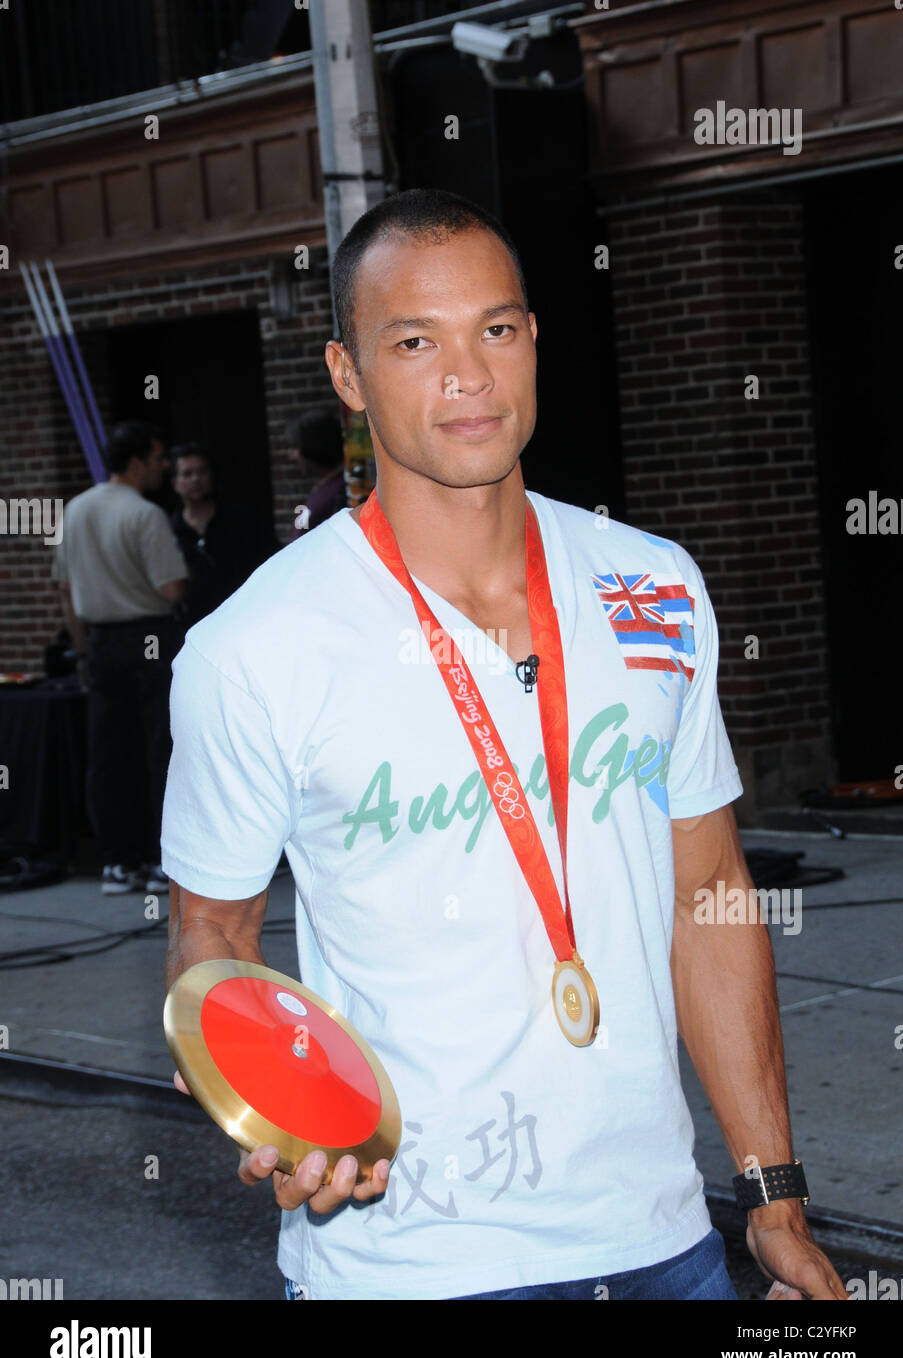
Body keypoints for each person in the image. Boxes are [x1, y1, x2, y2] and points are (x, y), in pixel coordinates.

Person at [161, 189, 847, 1301]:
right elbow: (211, 937)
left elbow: (711, 895)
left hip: (664, 1246)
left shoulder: (654, 586)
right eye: (415, 340)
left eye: (496, 328)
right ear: (348, 373)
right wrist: (280, 1106)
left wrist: (772, 1196)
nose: (467, 375)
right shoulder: (255, 646)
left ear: (533, 339)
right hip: (408, 1261)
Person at [53, 420, 188, 895]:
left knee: (109, 754)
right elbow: (170, 588)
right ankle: (159, 860)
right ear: (135, 463)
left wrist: (83, 650)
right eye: (156, 459)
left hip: (101, 645)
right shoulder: (144, 514)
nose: (163, 468)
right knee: (159, 749)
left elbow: (66, 591)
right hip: (149, 639)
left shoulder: (74, 511)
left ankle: (116, 862)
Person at [169, 443, 278, 628]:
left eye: (202, 472)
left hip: (243, 618)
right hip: (193, 626)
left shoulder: (241, 521)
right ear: (175, 483)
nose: (196, 479)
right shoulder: (170, 531)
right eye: (187, 474)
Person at [287, 408, 347, 533]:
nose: (290, 456)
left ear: (313, 447)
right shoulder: (325, 488)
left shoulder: (338, 494)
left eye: (295, 447)